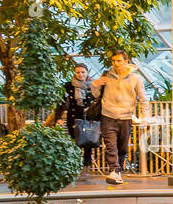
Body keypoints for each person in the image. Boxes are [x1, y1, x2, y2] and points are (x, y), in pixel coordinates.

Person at [90, 50, 149, 186]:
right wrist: (95, 84)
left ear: (126, 61)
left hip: (126, 117)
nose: (116, 64)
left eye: (119, 61)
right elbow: (96, 94)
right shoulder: (106, 75)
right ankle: (114, 170)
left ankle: (117, 171)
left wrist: (144, 116)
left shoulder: (135, 78)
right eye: (113, 61)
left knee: (122, 148)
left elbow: (143, 99)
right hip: (107, 116)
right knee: (110, 145)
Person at [58, 63, 101, 178]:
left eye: (83, 72)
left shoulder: (94, 86)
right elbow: (62, 103)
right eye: (78, 72)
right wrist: (59, 117)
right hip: (73, 118)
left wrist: (91, 108)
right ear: (74, 73)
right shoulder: (68, 86)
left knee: (88, 144)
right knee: (74, 143)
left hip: (89, 119)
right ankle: (75, 167)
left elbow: (99, 101)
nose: (80, 74)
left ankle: (85, 170)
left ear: (87, 73)